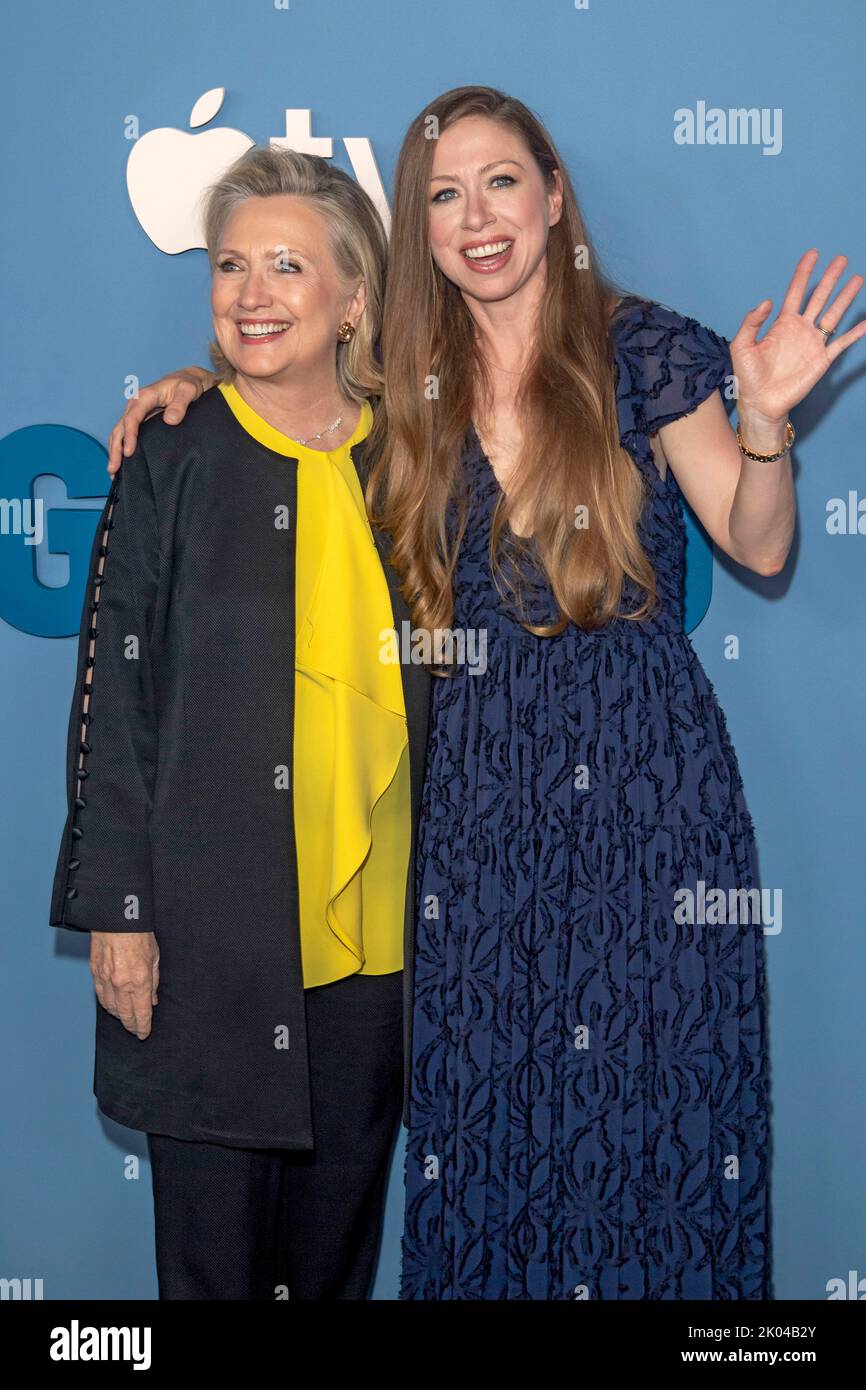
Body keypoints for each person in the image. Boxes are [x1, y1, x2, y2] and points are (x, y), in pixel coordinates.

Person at [107, 87, 865, 1300]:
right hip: (470, 814)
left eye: (500, 183)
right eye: (444, 197)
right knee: (491, 1137)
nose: (475, 218)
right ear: (420, 229)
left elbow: (757, 542)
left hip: (644, 800)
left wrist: (765, 426)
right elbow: (279, 393)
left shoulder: (647, 350)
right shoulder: (402, 387)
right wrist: (187, 390)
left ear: (553, 196)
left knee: (644, 1119)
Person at [50, 146, 430, 1300]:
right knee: (211, 1281)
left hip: (374, 957)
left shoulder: (414, 460)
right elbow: (114, 704)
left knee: (330, 1274)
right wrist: (121, 911)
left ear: (353, 299)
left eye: (285, 265)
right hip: (212, 952)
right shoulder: (172, 448)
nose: (250, 293)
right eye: (229, 265)